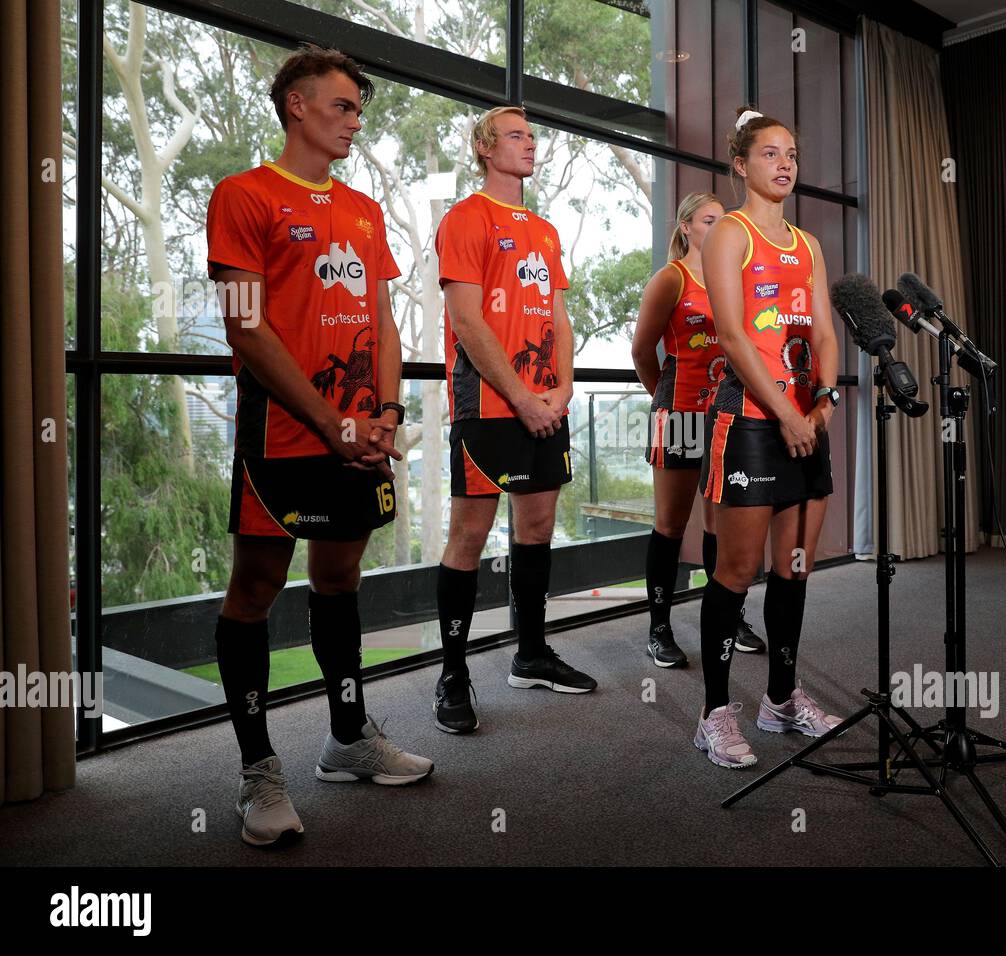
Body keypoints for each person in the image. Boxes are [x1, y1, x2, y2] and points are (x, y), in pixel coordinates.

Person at [206, 45, 433, 846]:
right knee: (256, 587)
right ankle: (258, 771)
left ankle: (347, 739)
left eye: (359, 111)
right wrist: (332, 424)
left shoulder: (364, 211)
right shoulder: (242, 195)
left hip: (361, 438)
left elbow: (382, 321)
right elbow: (245, 328)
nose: (355, 122)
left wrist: (386, 413)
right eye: (342, 106)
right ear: (297, 105)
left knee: (339, 579)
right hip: (282, 438)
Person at [431, 106, 597, 735]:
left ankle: (531, 655)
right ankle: (453, 673)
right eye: (515, 135)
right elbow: (466, 322)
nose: (529, 144)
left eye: (532, 136)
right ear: (483, 146)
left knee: (538, 526)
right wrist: (522, 397)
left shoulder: (545, 231)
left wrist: (563, 386)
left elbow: (558, 318)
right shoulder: (465, 218)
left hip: (544, 405)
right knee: (469, 536)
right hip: (489, 407)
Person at [693, 107, 844, 769]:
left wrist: (825, 400)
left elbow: (825, 333)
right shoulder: (731, 233)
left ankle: (780, 699)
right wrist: (785, 412)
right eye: (770, 153)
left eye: (792, 154)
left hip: (806, 423)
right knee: (735, 571)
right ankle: (714, 714)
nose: (785, 164)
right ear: (741, 163)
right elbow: (731, 336)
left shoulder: (807, 245)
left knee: (794, 566)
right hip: (753, 423)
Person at [631, 192, 766, 668]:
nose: (718, 227)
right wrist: (666, 402)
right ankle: (659, 628)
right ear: (686, 227)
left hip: (724, 416)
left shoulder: (733, 279)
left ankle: (728, 618)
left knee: (718, 523)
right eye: (709, 220)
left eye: (723, 220)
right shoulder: (672, 278)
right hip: (681, 416)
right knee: (670, 525)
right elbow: (641, 351)